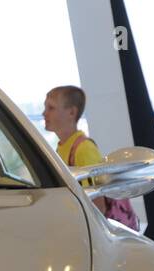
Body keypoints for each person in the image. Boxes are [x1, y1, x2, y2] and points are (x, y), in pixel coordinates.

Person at [43, 85, 108, 213]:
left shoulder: (84, 149)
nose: (44, 113)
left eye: (51, 108)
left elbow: (99, 206)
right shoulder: (62, 148)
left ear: (72, 112)